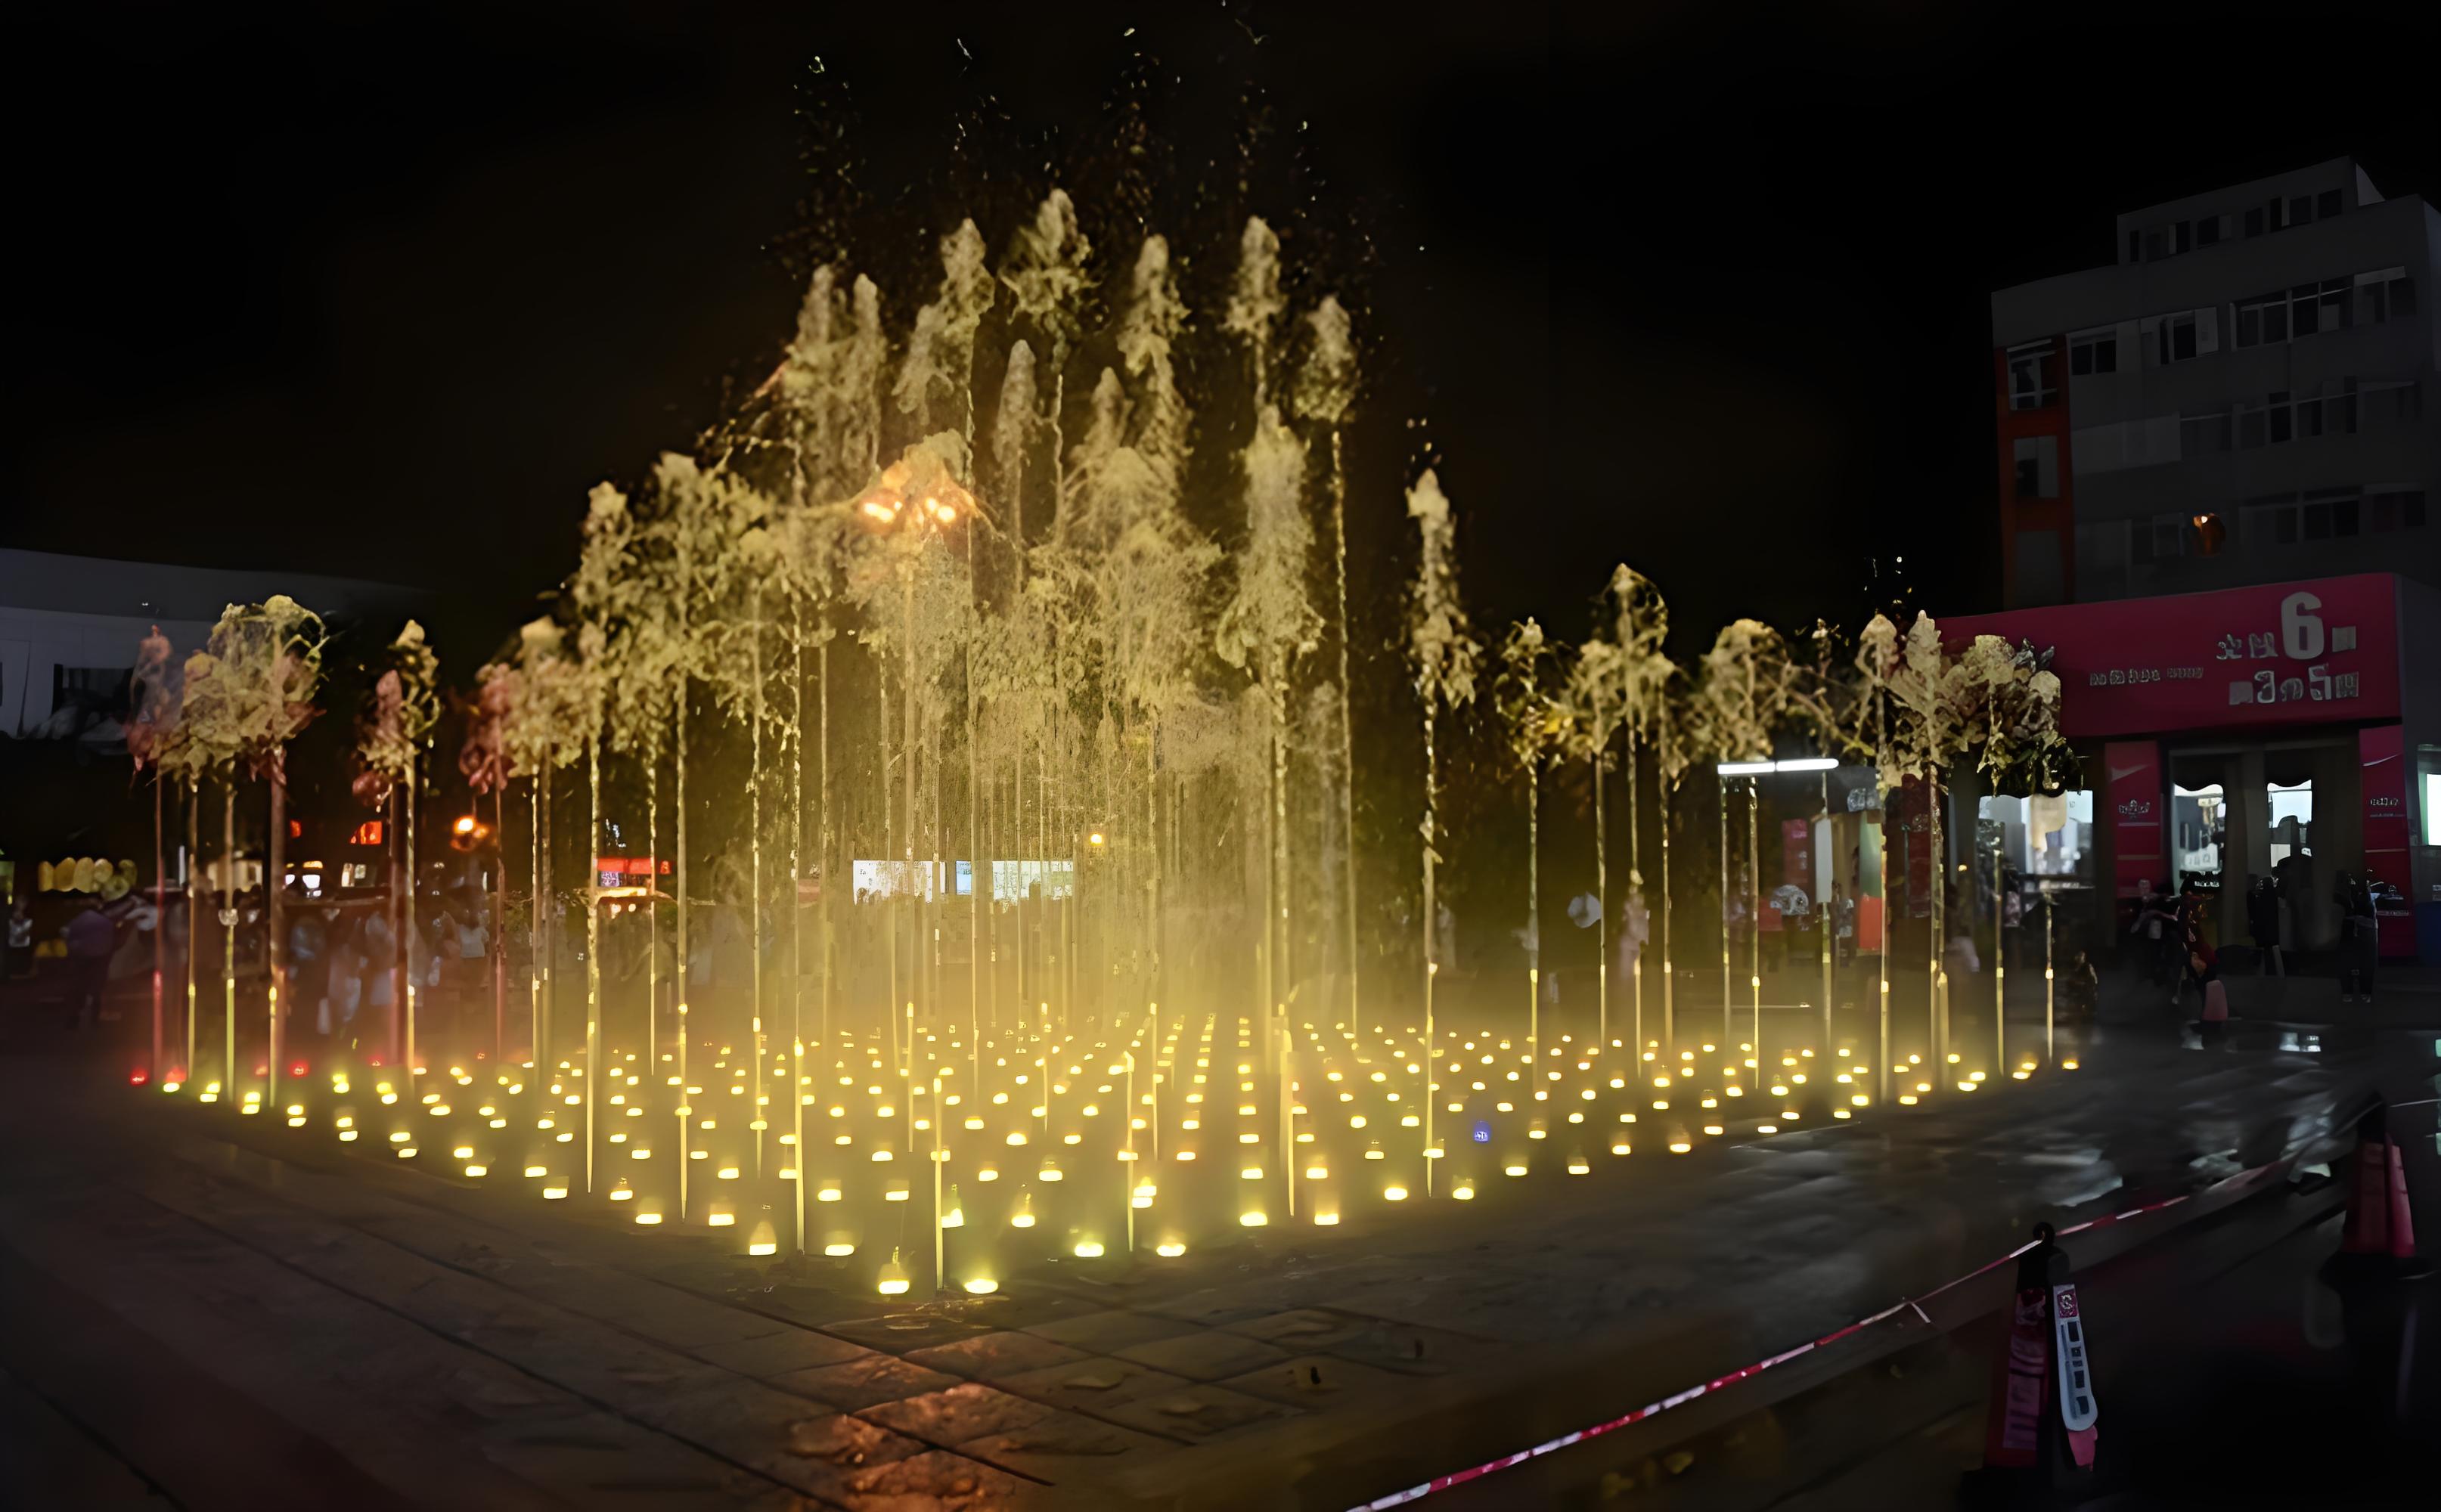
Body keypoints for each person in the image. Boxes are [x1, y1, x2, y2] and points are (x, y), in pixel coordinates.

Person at [63, 900, 118, 1030]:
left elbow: (68, 936)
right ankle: (94, 1017)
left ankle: (74, 1018)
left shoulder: (77, 920)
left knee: (78, 986)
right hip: (100, 956)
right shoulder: (105, 922)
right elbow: (111, 940)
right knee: (97, 987)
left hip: (81, 956)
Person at [2334, 870, 2377, 1002]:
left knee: (2346, 962)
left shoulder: (2339, 896)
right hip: (2364, 932)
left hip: (2347, 931)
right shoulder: (2365, 897)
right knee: (2366, 963)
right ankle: (2365, 993)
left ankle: (2348, 992)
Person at [2246, 874, 2284, 977]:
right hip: (2274, 930)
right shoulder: (2276, 897)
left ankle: (2265, 973)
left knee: (2265, 954)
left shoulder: (2259, 897)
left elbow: (2254, 913)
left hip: (2262, 930)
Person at [2059, 947, 2099, 1021]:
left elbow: (2091, 978)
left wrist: (2086, 984)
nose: (2079, 958)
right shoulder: (2075, 967)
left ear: (2083, 958)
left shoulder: (2087, 966)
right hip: (2077, 988)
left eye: (2081, 957)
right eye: (2078, 956)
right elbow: (2071, 978)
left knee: (2084, 1000)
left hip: (2086, 988)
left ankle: (2085, 1015)